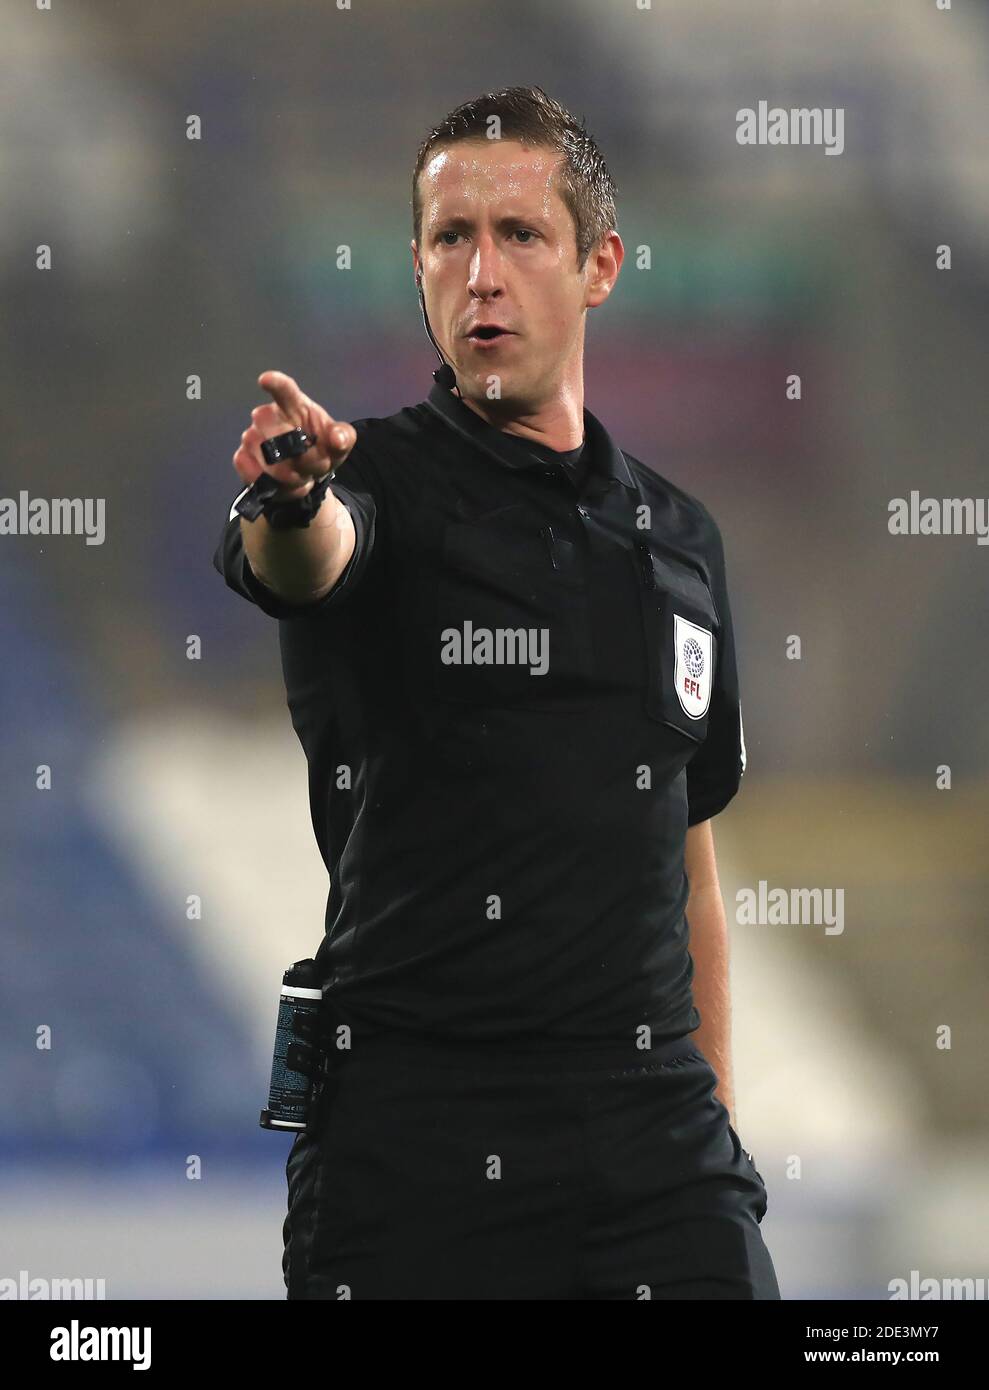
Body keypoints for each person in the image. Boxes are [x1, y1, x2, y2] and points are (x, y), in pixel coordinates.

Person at [213, 85, 780, 1300]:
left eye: (519, 235)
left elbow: (688, 865)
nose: (481, 273)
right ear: (414, 266)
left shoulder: (677, 538)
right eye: (448, 237)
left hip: (651, 1154)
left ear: (598, 267)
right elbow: (308, 558)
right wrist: (291, 497)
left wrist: (714, 1134)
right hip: (410, 1145)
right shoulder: (366, 480)